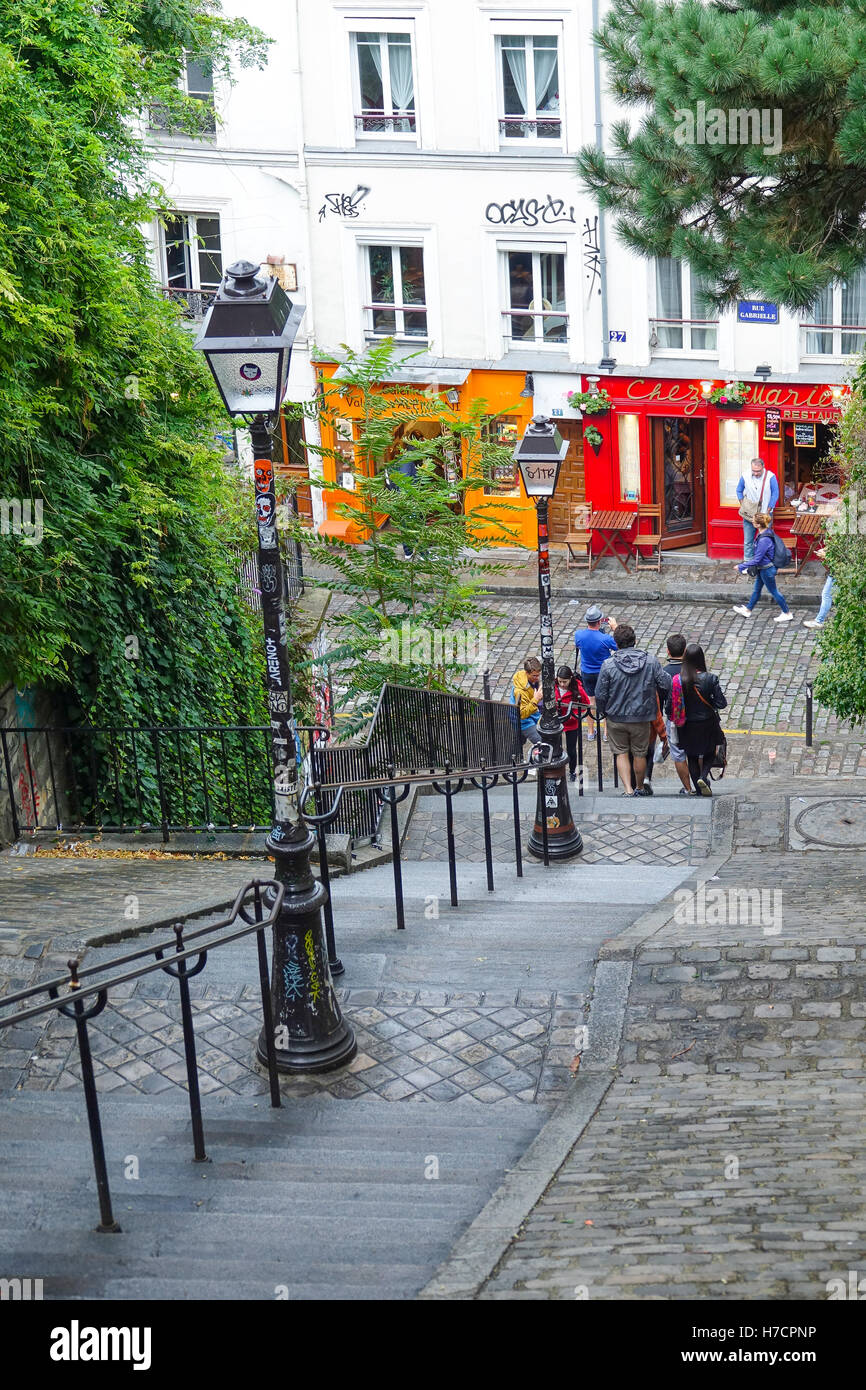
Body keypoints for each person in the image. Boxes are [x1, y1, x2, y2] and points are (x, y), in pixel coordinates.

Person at [594, 624, 671, 796]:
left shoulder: (608, 665)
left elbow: (600, 694)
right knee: (640, 753)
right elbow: (665, 683)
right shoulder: (650, 661)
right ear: (635, 641)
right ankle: (640, 787)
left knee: (621, 753)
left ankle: (628, 789)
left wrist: (603, 712)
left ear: (616, 643)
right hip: (642, 716)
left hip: (616, 716)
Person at [670, 643, 727, 796]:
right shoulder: (710, 678)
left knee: (692, 756)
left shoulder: (678, 680)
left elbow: (671, 706)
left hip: (687, 725)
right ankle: (703, 777)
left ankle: (699, 789)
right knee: (709, 752)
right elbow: (722, 703)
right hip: (707, 722)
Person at [732, 513, 793, 622]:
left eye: (754, 521)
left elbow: (757, 559)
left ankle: (787, 613)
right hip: (763, 568)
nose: (752, 522)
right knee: (757, 590)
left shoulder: (764, 540)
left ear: (758, 525)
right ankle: (748, 610)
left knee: (774, 591)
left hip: (767, 570)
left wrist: (741, 566)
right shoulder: (765, 533)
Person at [574, 604, 617, 740]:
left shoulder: (578, 635)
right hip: (603, 672)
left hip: (587, 672)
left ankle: (591, 731)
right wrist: (615, 628)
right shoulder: (606, 639)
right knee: (605, 700)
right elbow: (620, 645)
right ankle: (606, 733)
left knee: (590, 700)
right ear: (599, 621)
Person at [662, 634, 695, 796]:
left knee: (678, 753)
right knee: (697, 750)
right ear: (685, 650)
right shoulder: (693, 670)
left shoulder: (664, 673)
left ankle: (688, 788)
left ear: (668, 652)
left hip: (675, 720)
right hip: (694, 718)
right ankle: (700, 782)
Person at [737, 457, 779, 560]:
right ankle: (748, 563)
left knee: (765, 540)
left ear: (763, 467)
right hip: (749, 514)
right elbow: (739, 490)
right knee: (748, 540)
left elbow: (775, 493)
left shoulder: (770, 477)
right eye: (754, 471)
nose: (756, 473)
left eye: (758, 471)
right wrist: (743, 504)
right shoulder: (745, 476)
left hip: (765, 513)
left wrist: (768, 510)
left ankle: (764, 562)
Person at [555, 665, 590, 784]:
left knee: (571, 749)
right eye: (560, 681)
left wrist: (573, 714)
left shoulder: (578, 689)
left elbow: (586, 704)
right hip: (557, 721)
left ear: (570, 679)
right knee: (557, 748)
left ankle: (572, 771)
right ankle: (558, 771)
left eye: (565, 681)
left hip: (571, 722)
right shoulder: (553, 687)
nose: (562, 684)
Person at [512, 657, 543, 748]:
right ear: (526, 673)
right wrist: (536, 699)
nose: (537, 678)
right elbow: (522, 713)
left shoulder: (530, 680)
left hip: (532, 716)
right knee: (542, 743)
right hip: (524, 721)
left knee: (518, 743)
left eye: (538, 675)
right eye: (534, 676)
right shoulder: (520, 691)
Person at [803, 545, 835, 629]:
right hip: (835, 572)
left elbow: (843, 556)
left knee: (827, 595)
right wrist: (825, 549)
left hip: (839, 572)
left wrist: (826, 555)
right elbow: (836, 546)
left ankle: (819, 621)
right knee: (827, 595)